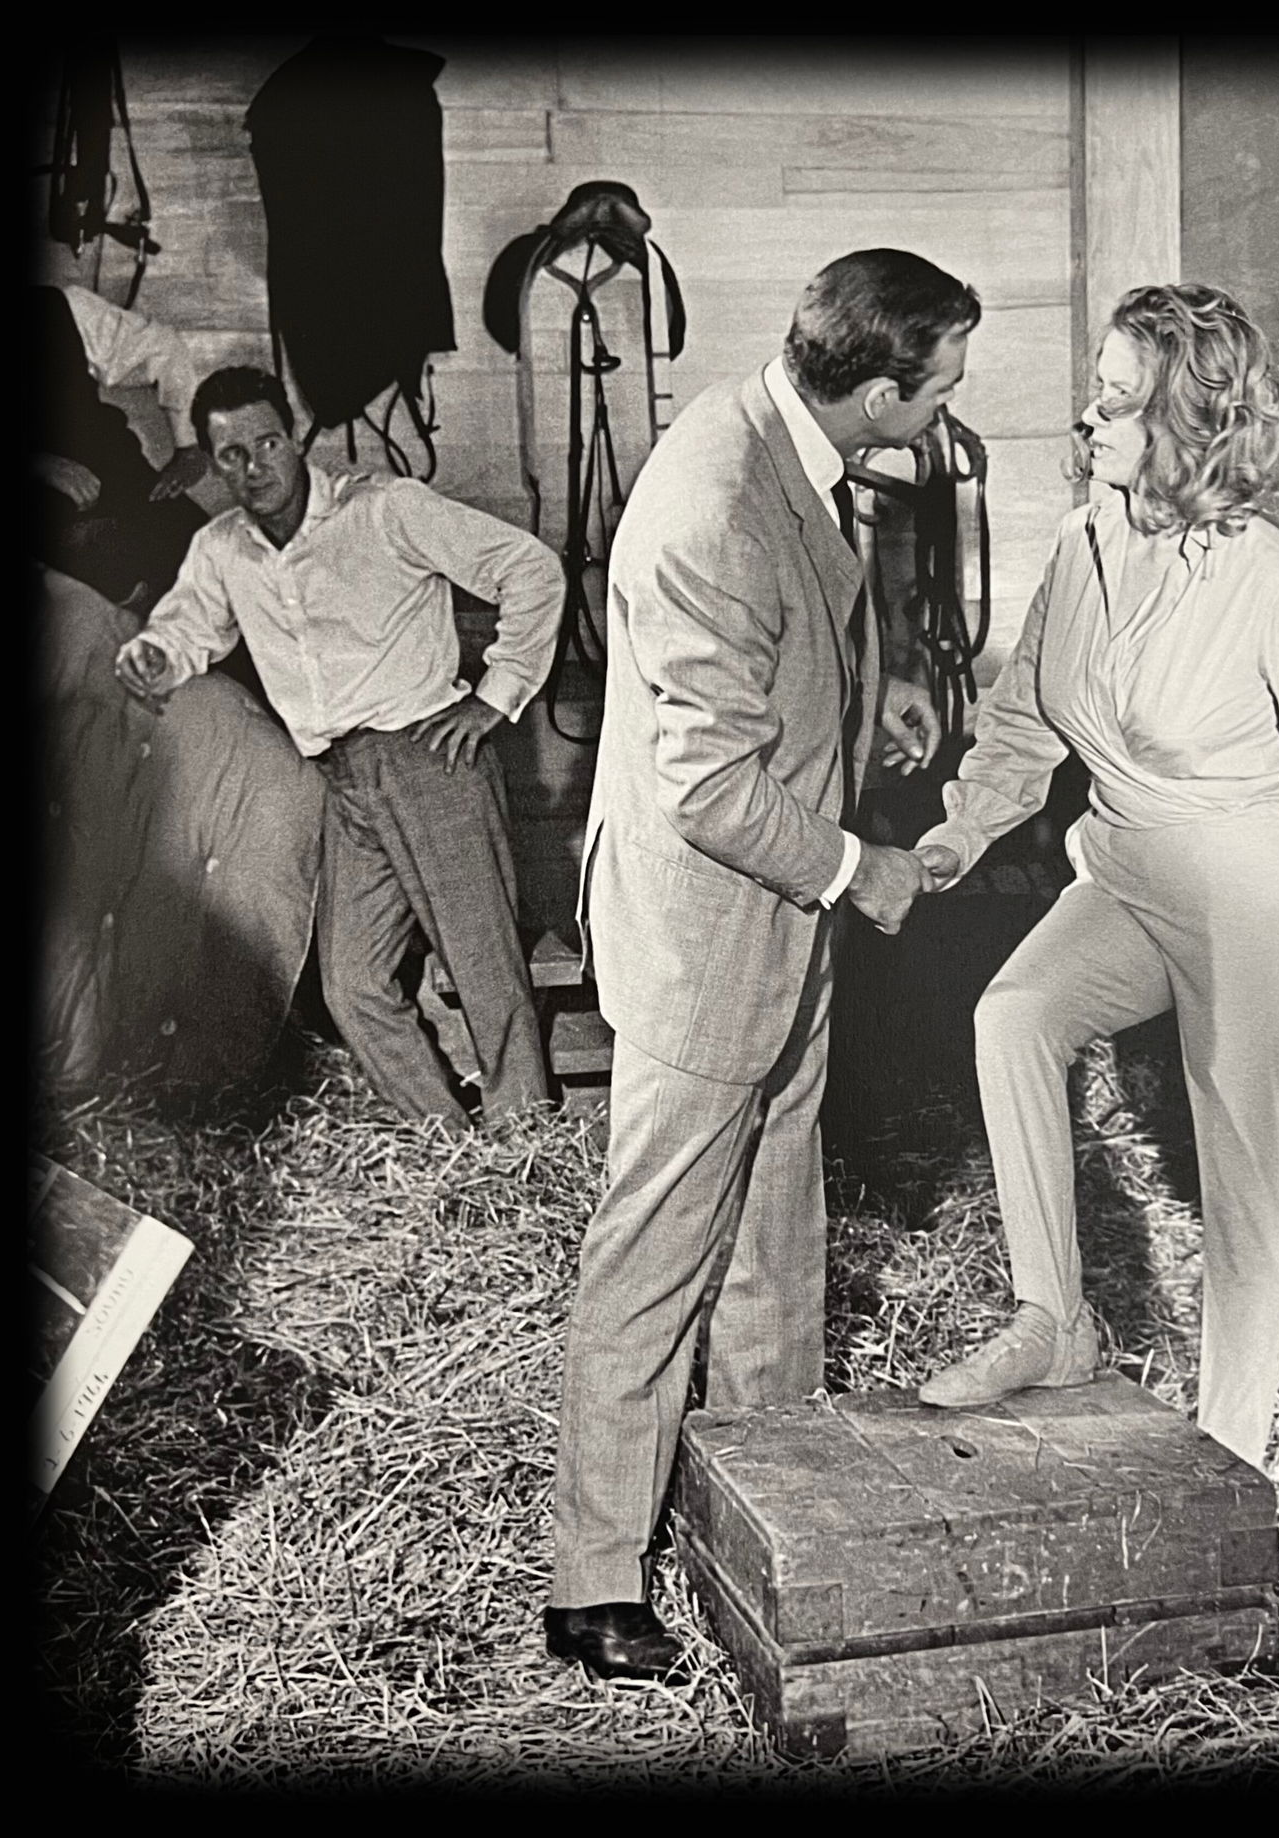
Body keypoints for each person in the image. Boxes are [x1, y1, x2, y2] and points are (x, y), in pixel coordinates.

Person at [544, 249, 976, 1681]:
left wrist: (879, 685)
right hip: (707, 930)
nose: (948, 406)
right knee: (657, 1254)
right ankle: (594, 1577)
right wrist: (868, 867)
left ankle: (768, 1512)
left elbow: (798, 635)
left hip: (775, 933)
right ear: (874, 386)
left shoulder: (790, 448)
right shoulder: (715, 498)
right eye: (941, 384)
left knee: (778, 1242)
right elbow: (709, 790)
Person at [912, 283, 1279, 1470]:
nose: (1089, 418)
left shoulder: (1273, 582)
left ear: (1186, 427)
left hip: (1242, 890)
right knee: (1014, 1017)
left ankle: (1226, 1451)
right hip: (1124, 865)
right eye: (1096, 393)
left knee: (1244, 1192)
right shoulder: (1083, 547)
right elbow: (1025, 720)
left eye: (1118, 401)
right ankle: (1054, 1319)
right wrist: (954, 837)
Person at [113, 365, 566, 1126]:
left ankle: (525, 1152)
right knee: (353, 986)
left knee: (485, 972)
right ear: (209, 461)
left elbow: (531, 569)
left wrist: (494, 699)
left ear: (294, 439)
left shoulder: (382, 508)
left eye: (266, 444)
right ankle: (447, 1143)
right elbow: (188, 628)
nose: (254, 468)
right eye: (231, 455)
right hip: (340, 779)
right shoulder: (223, 548)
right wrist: (153, 654)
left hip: (430, 758)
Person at [31, 282, 211, 605]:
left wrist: (188, 445)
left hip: (121, 479)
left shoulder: (59, 306)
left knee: (214, 562)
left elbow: (163, 348)